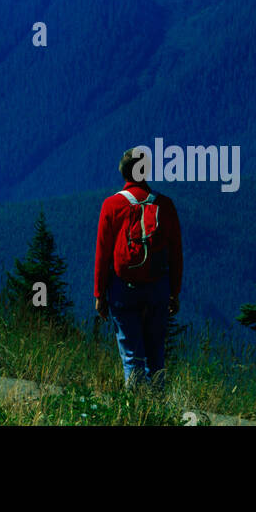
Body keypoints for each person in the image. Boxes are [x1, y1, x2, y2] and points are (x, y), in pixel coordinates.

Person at [94, 148, 183, 390]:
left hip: (124, 289)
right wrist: (174, 292)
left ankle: (136, 412)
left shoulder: (111, 205)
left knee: (132, 356)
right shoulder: (165, 205)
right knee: (156, 355)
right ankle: (159, 409)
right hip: (157, 288)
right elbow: (175, 253)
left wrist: (100, 295)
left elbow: (103, 254)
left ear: (123, 171)